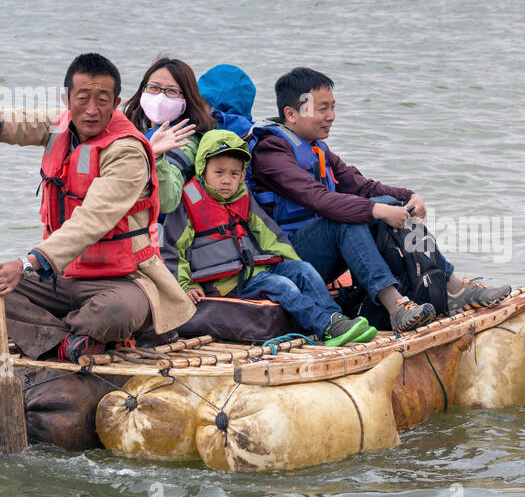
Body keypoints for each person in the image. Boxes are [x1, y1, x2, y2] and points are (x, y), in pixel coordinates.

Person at [0, 53, 196, 360]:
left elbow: (91, 220)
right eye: (82, 98)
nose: (91, 110)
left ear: (116, 103)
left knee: (114, 312)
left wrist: (26, 264)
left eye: (102, 100)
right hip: (63, 278)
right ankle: (70, 338)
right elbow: (28, 122)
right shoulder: (62, 124)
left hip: (121, 281)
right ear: (68, 99)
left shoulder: (128, 152)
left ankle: (52, 333)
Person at [247, 67, 511, 332]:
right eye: (322, 109)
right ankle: (395, 305)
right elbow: (318, 199)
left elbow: (362, 186)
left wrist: (408, 198)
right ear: (291, 114)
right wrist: (376, 210)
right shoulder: (271, 151)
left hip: (320, 252)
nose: (331, 116)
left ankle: (454, 287)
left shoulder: (317, 148)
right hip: (288, 258)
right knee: (349, 220)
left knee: (389, 205)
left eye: (333, 107)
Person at [161, 130, 378, 346]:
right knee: (283, 286)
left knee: (303, 270)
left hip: (254, 269)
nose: (227, 180)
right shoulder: (188, 201)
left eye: (234, 174)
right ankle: (324, 326)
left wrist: (291, 261)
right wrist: (185, 285)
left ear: (243, 176)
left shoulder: (243, 196)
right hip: (225, 282)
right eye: (219, 172)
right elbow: (172, 248)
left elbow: (269, 234)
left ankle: (335, 320)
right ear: (203, 170)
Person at [123, 56, 216, 216]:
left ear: (187, 98)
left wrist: (156, 157)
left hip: (157, 233)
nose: (160, 97)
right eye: (154, 88)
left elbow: (167, 201)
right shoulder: (136, 129)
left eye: (172, 91)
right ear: (142, 90)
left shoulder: (184, 138)